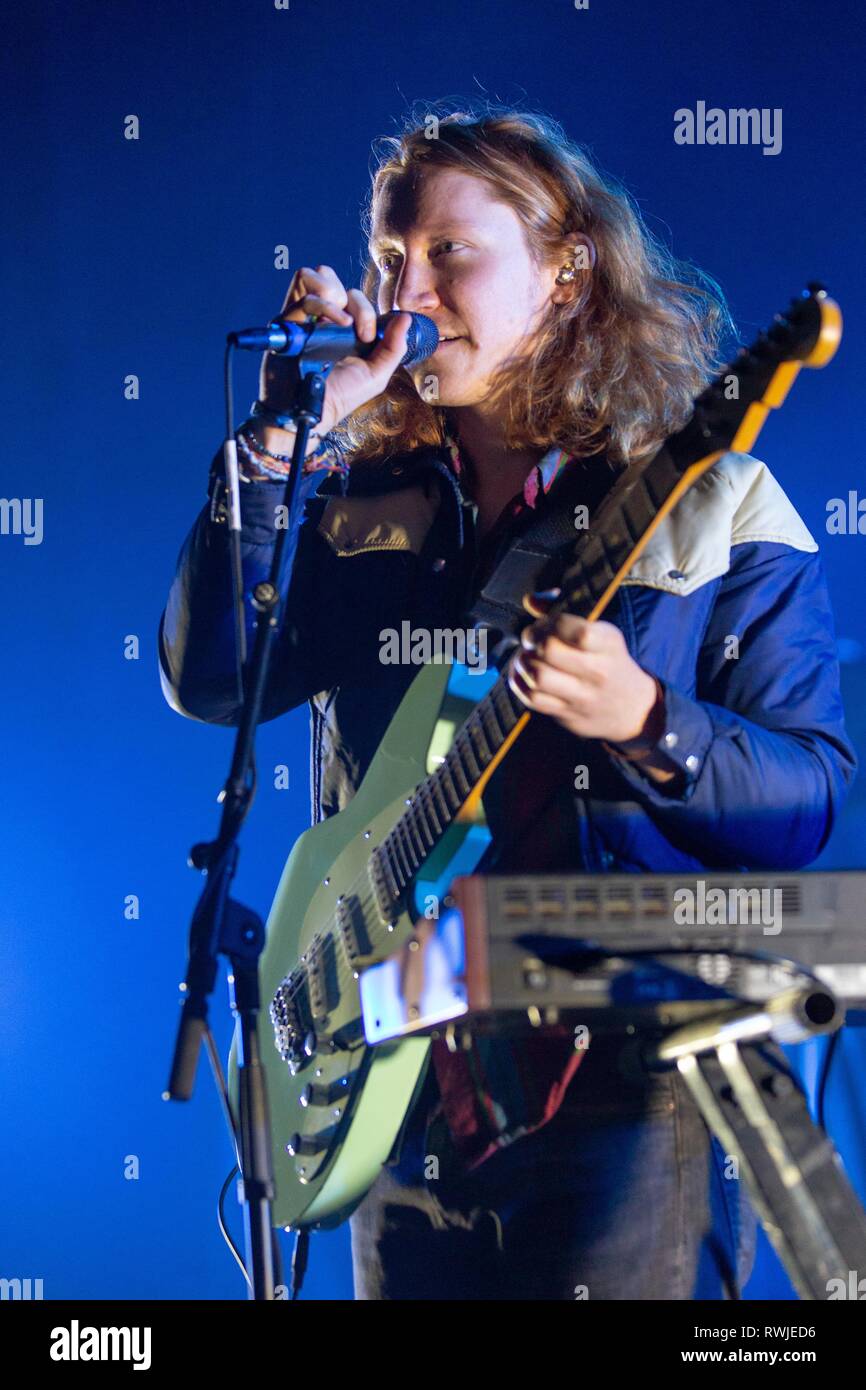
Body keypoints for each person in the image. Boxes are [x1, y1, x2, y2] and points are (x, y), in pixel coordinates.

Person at [158, 106, 857, 1300]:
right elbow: (212, 678)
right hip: (393, 1088)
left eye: (447, 253)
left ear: (566, 269)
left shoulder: (710, 497)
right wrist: (283, 446)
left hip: (618, 1093)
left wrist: (648, 717)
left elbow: (807, 799)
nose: (406, 290)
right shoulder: (360, 504)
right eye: (387, 259)